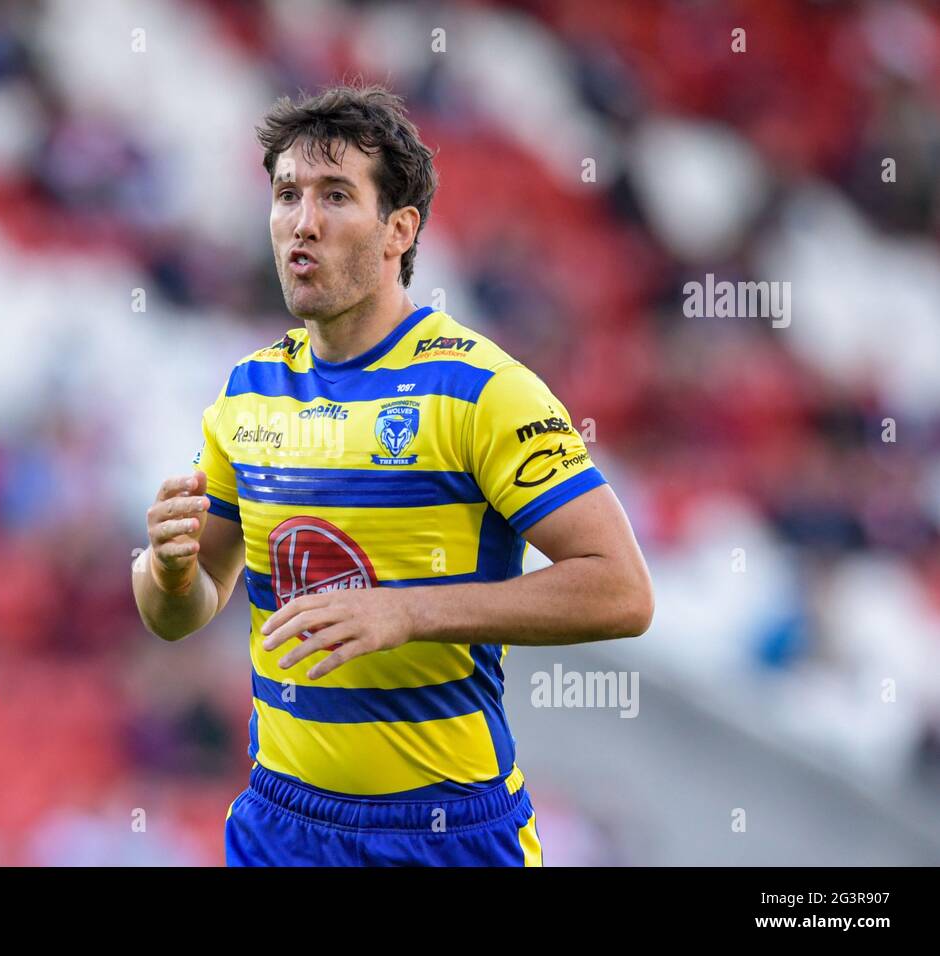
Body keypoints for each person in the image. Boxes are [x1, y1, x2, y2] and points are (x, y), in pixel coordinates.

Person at [131, 84, 654, 866]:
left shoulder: (481, 388)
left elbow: (622, 590)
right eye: (286, 195)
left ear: (397, 230)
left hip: (444, 832)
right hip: (283, 822)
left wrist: (410, 613)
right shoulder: (247, 392)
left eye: (335, 195)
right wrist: (167, 572)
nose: (302, 223)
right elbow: (182, 612)